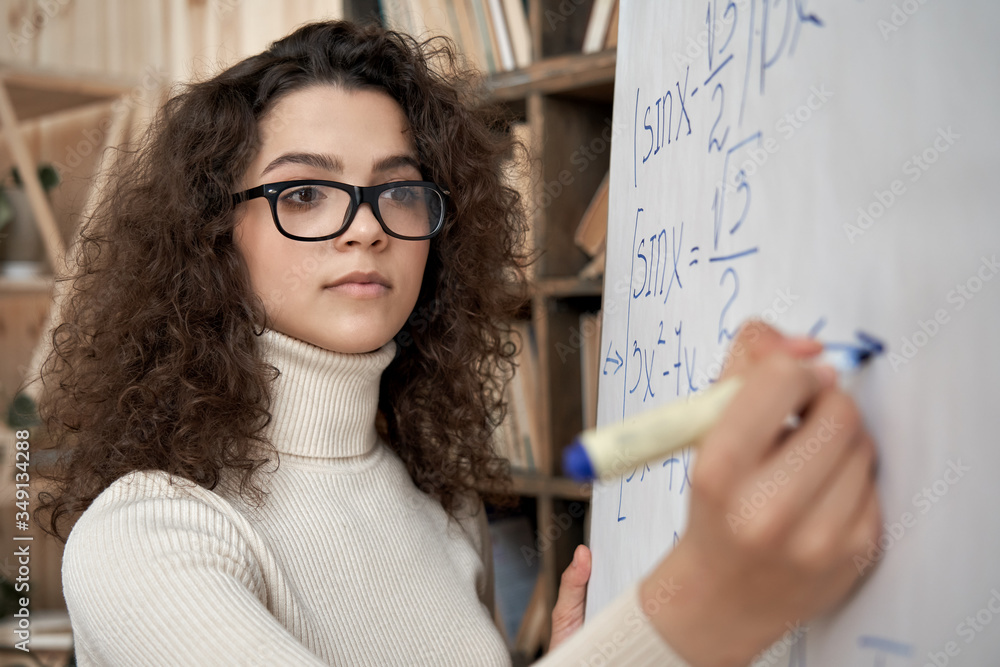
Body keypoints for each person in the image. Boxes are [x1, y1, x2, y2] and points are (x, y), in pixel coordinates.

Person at [34, 19, 881, 667]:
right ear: (216, 232)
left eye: (398, 192)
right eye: (304, 193)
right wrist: (689, 607)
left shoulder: (439, 500)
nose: (365, 230)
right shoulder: (144, 536)